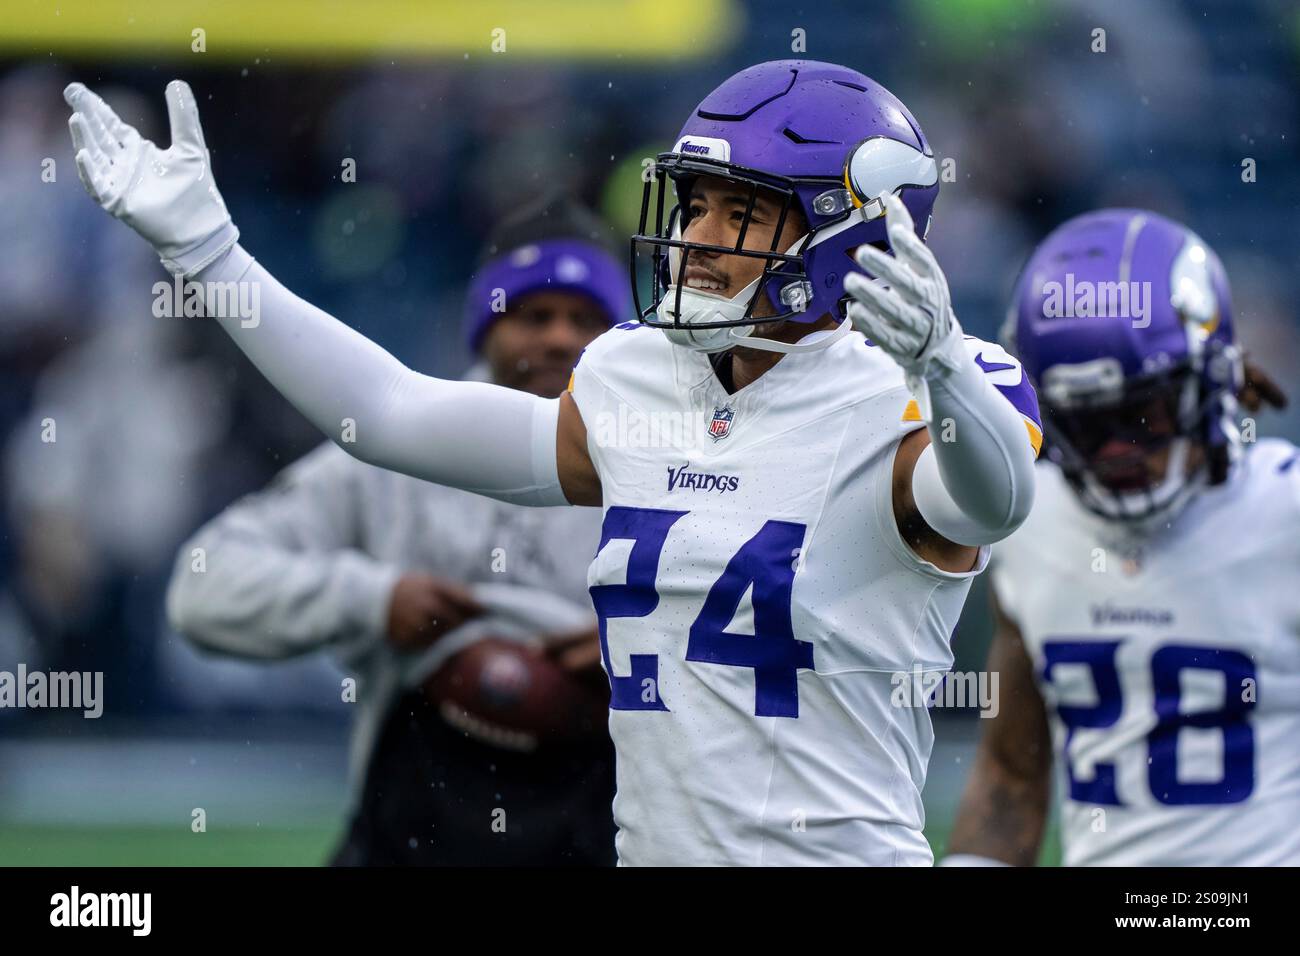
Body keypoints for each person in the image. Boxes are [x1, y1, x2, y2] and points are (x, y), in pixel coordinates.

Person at [64, 59, 1040, 866]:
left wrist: (944, 363)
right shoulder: (640, 377)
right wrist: (210, 252)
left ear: (847, 232)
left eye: (736, 214)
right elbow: (392, 413)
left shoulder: (917, 396)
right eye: (692, 204)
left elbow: (990, 500)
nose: (693, 239)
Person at [165, 201, 623, 865]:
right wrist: (372, 601)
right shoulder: (391, 458)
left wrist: (641, 649)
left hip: (596, 837)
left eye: (585, 320)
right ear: (483, 325)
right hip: (404, 839)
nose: (557, 339)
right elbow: (201, 585)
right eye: (534, 315)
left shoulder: (657, 472)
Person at [944, 209, 1299, 866]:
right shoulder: (1031, 521)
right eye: (1087, 422)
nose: (1116, 450)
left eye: (1142, 413)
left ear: (1211, 380)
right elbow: (1012, 777)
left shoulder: (1284, 513)